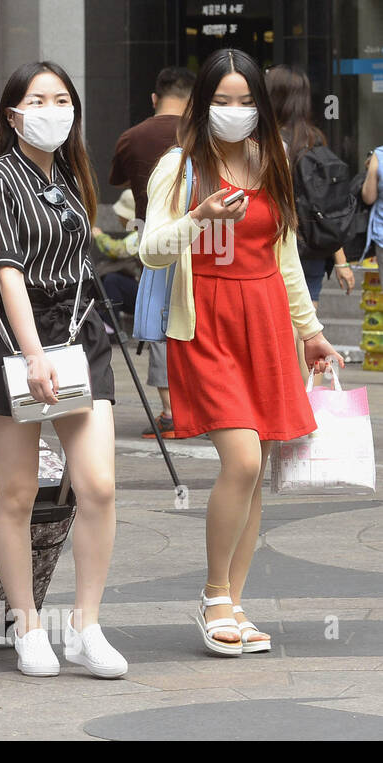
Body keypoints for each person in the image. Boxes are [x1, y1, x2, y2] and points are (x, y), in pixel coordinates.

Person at [140, 48, 343, 657]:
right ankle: (212, 595)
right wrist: (197, 217)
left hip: (267, 325)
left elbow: (283, 258)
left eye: (245, 100)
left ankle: (234, 599)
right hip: (207, 326)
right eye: (221, 101)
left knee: (255, 476)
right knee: (244, 460)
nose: (234, 111)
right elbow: (149, 248)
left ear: (260, 104)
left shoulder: (270, 158)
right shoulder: (179, 167)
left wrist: (309, 332)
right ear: (202, 104)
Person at [0, 61, 124, 679]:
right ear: (13, 114)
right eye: (39, 99)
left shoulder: (69, 173)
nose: (54, 109)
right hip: (16, 341)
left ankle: (86, 626)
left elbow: (87, 260)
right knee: (18, 492)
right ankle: (29, 626)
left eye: (63, 99)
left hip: (80, 336)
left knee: (100, 486)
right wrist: (33, 355)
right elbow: (6, 272)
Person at [110, 66, 195, 440]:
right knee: (198, 325)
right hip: (204, 240)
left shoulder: (133, 137)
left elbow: (117, 180)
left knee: (161, 324)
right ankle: (203, 406)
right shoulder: (200, 135)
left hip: (154, 241)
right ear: (194, 101)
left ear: (154, 98)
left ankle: (169, 411)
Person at [266, 64, 355, 310]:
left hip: (277, 249)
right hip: (312, 249)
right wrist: (341, 262)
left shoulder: (268, 143)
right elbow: (327, 206)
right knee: (307, 324)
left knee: (280, 325)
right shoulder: (314, 139)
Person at [93, 189, 142, 330]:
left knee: (112, 280)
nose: (119, 217)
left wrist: (100, 236)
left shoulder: (139, 235)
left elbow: (117, 250)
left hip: (141, 295)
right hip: (136, 291)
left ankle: (109, 325)